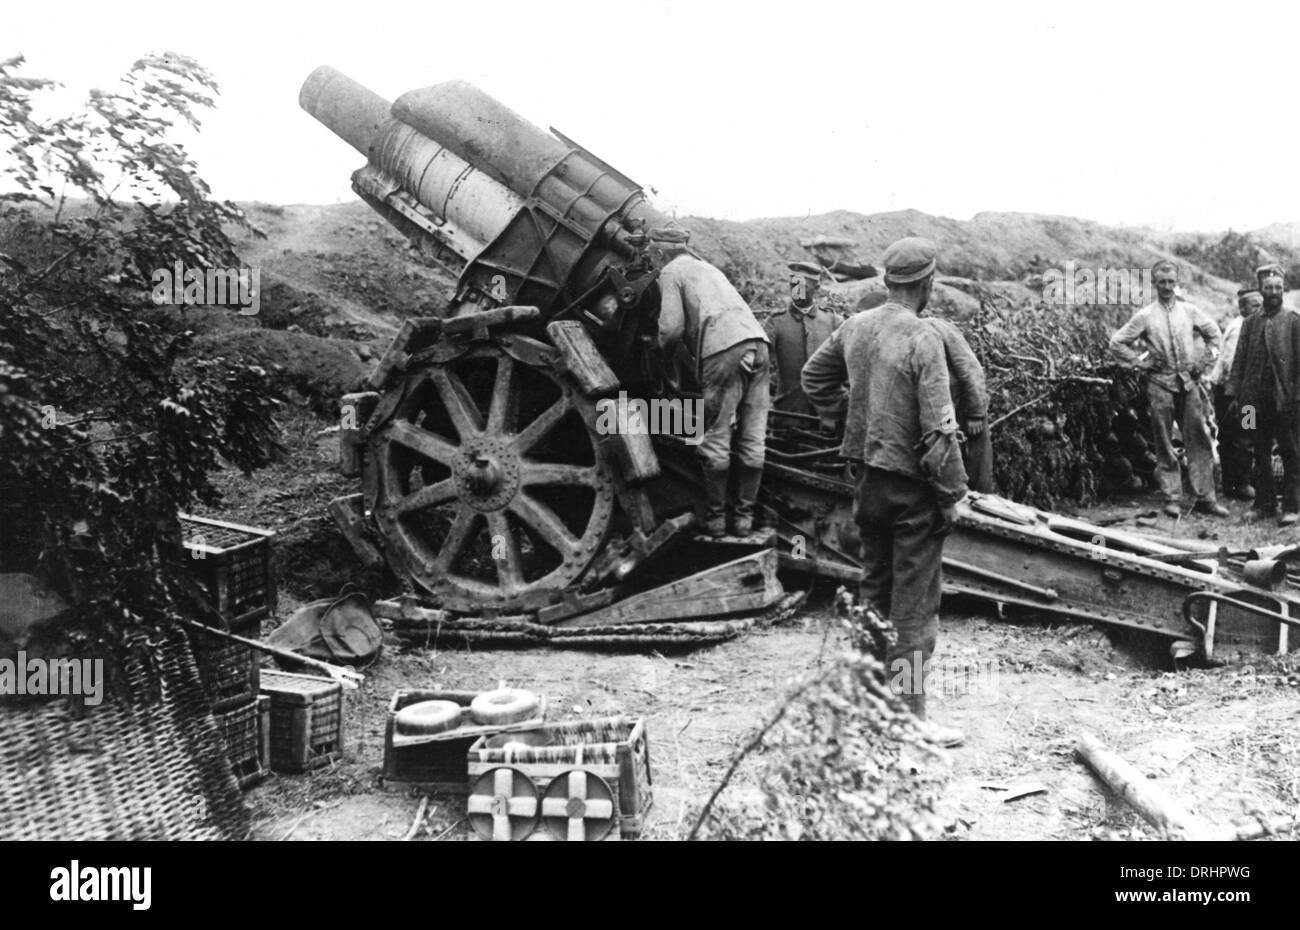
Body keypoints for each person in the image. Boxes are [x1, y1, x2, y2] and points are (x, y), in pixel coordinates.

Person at [801, 236, 967, 747]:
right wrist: (953, 493)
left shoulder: (856, 326)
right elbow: (940, 429)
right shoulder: (922, 337)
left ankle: (870, 707)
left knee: (874, 592)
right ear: (928, 284)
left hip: (867, 484)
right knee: (914, 610)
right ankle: (909, 718)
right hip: (913, 490)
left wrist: (844, 421)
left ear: (889, 282)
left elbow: (813, 377)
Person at [651, 226, 771, 537]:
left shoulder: (670, 272)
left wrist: (662, 356)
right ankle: (744, 520)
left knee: (714, 438)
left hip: (724, 349)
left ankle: (716, 522)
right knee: (753, 439)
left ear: (660, 250)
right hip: (758, 343)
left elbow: (671, 329)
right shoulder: (706, 267)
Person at [1109, 260, 1226, 518]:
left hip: (1189, 383)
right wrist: (1142, 361)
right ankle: (1172, 497)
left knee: (1200, 441)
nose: (1166, 287)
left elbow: (1215, 336)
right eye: (1161, 282)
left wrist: (1205, 362)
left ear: (1176, 283)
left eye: (1171, 281)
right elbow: (1117, 343)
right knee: (1163, 443)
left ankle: (1206, 497)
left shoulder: (1190, 311)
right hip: (1159, 385)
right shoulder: (1146, 316)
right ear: (1154, 284)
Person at [1226, 264, 1300, 526]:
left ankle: (1291, 505)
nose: (1273, 292)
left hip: (1285, 401)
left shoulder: (1293, 320)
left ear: (1284, 290)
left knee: (1291, 451)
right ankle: (1264, 504)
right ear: (1261, 289)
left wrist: (1296, 396)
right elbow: (1239, 361)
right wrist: (1234, 394)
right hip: (1251, 403)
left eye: (1278, 288)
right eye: (1268, 288)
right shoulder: (1249, 323)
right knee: (1257, 448)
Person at [764, 261, 842, 423]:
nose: (797, 291)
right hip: (787, 413)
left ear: (817, 287)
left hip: (827, 416)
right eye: (794, 285)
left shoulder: (833, 322)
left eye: (803, 286)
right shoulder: (776, 321)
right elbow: (760, 363)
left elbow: (846, 367)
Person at [1210, 287, 1263, 500]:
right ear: (1243, 308)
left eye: (1261, 304)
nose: (1260, 309)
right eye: (1255, 306)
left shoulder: (1254, 326)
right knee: (1243, 435)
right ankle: (1240, 484)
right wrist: (1236, 398)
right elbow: (1230, 365)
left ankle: (1232, 483)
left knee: (1232, 435)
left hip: (1233, 391)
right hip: (1234, 393)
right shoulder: (1240, 328)